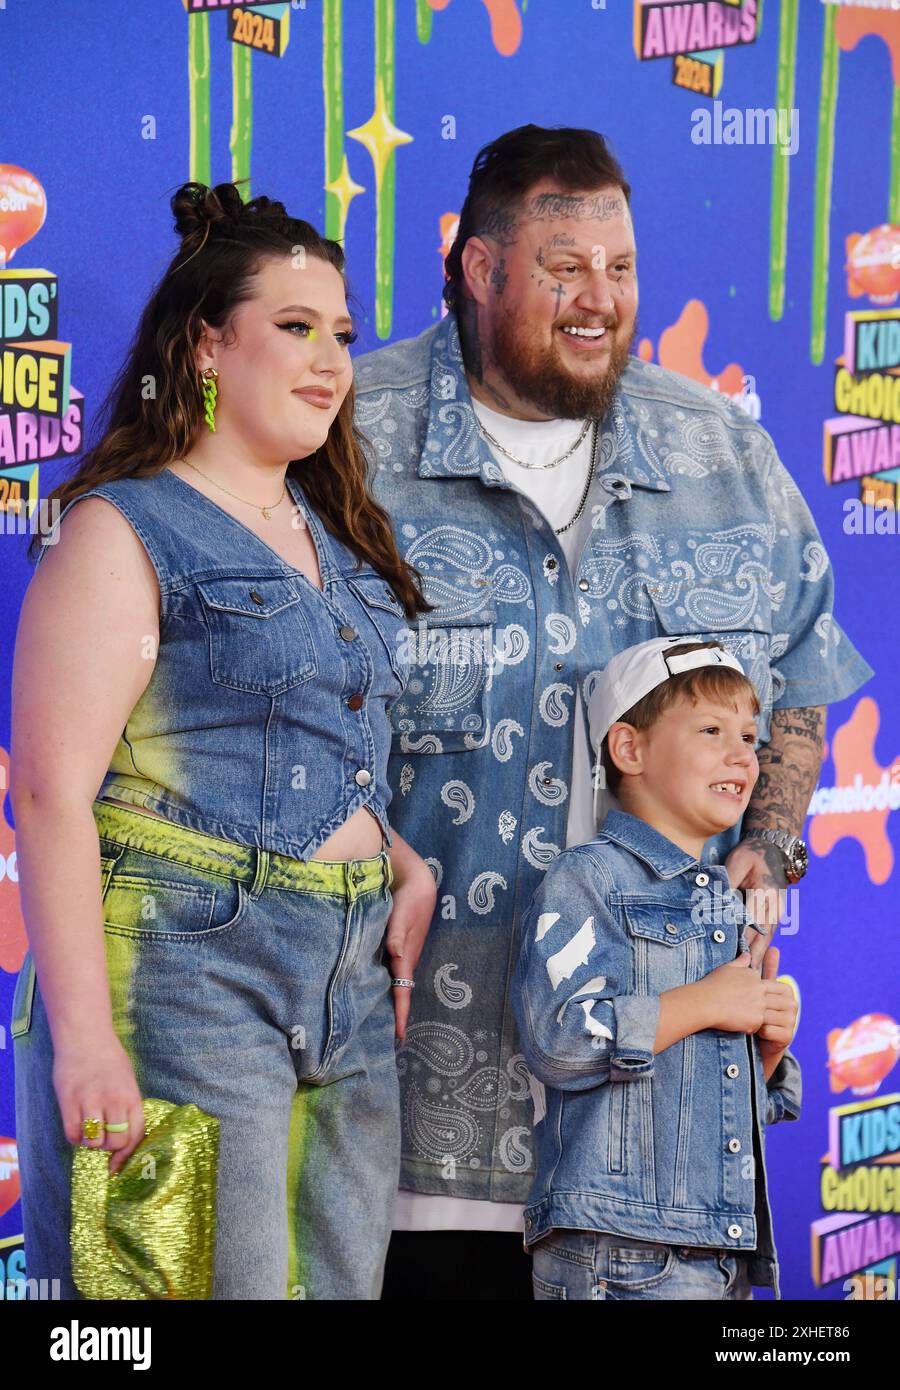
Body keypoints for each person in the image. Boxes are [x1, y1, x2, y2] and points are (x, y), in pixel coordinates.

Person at [354, 125, 873, 1300]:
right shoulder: (350, 439)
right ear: (479, 267)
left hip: (660, 1169)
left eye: (622, 268)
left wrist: (769, 848)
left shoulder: (724, 450)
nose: (602, 301)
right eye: (564, 268)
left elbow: (799, 671)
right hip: (400, 1138)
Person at [9, 181, 436, 1300]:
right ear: (207, 345)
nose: (332, 360)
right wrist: (87, 1039)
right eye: (295, 328)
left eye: (343, 333)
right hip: (182, 975)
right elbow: (51, 795)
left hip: (346, 993)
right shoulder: (122, 528)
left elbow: (298, 749)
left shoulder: (333, 538)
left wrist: (392, 855)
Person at [513, 636, 800, 1301]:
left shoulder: (724, 902)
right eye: (711, 730)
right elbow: (560, 1041)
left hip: (720, 1250)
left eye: (750, 738)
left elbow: (703, 1093)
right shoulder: (587, 879)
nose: (742, 755)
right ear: (630, 749)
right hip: (622, 1254)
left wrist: (765, 1053)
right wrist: (707, 1004)